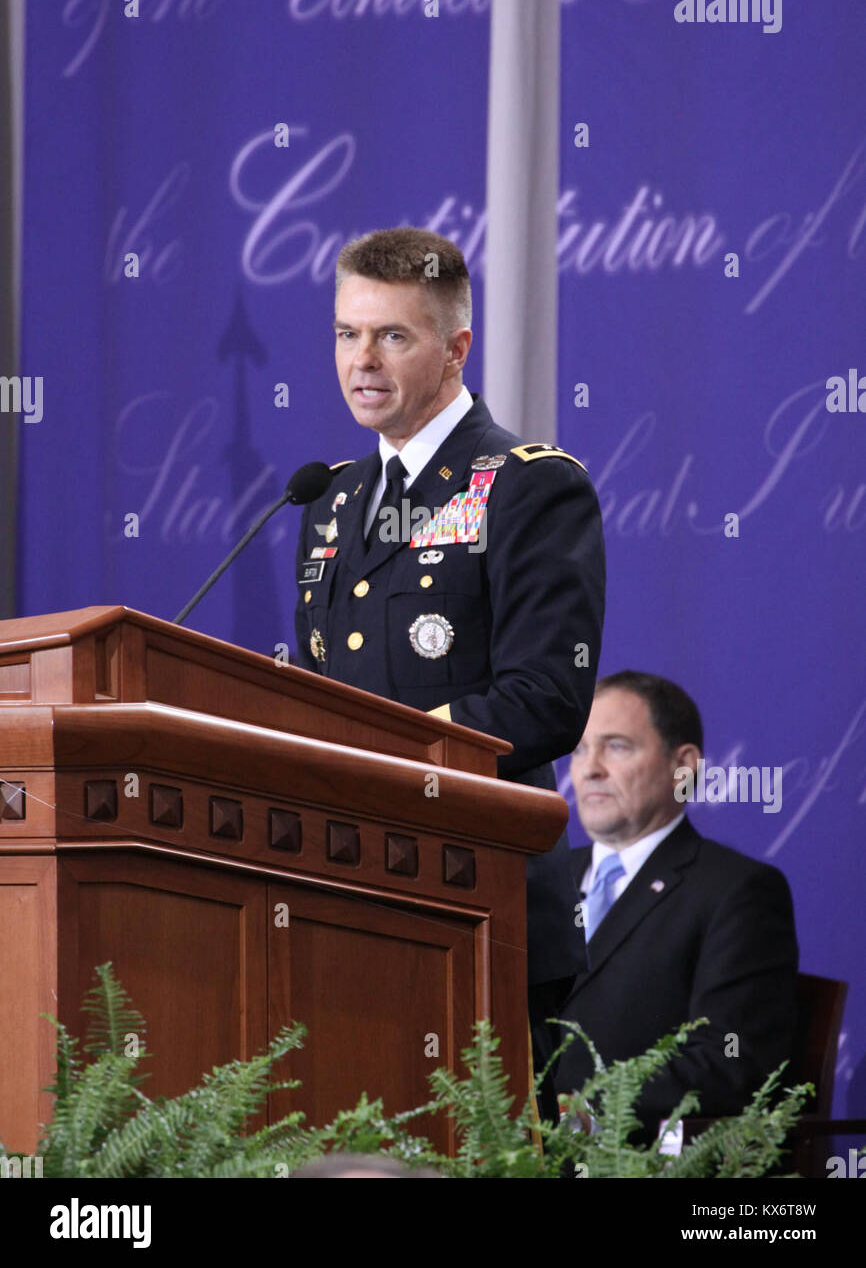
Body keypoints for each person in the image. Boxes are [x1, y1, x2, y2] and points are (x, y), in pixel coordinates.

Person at [293, 227, 606, 1119]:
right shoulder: (331, 503)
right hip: (344, 892)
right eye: (347, 334)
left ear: (455, 347)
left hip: (479, 901)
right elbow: (317, 697)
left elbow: (544, 699)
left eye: (393, 335)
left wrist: (384, 758)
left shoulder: (524, 486)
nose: (363, 360)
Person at [554, 670, 799, 1139]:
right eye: (580, 749)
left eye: (617, 746)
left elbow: (730, 1061)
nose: (588, 770)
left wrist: (576, 1113)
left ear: (683, 766)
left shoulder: (738, 891)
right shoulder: (541, 880)